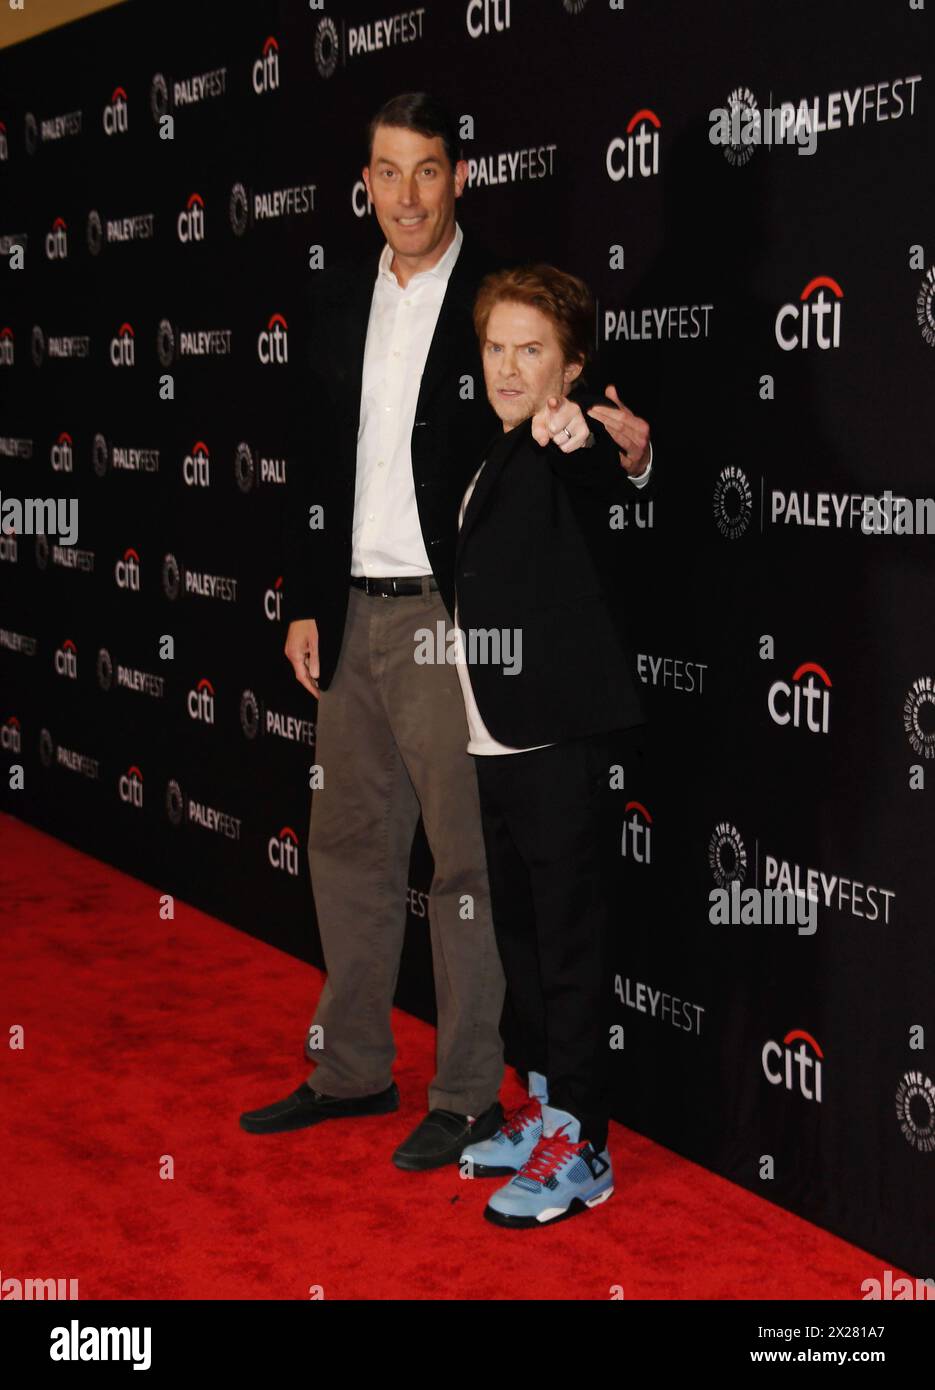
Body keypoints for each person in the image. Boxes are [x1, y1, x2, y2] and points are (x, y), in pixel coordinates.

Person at [240, 94, 653, 1172]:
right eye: (388, 172)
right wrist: (301, 597)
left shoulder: (499, 293)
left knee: (465, 866)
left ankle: (470, 1093)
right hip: (350, 607)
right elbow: (314, 457)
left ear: (457, 178)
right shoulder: (339, 293)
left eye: (428, 171)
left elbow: (575, 404)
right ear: (365, 182)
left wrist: (617, 437)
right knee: (348, 850)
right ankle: (351, 1070)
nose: (408, 194)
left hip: (448, 617)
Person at [455, 265, 652, 1227]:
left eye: (530, 350)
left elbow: (602, 471)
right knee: (523, 942)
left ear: (568, 368)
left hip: (554, 738)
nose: (507, 367)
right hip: (492, 738)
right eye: (496, 346)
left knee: (567, 947)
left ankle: (584, 1149)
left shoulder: (556, 444)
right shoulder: (490, 454)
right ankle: (544, 1114)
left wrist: (607, 444)